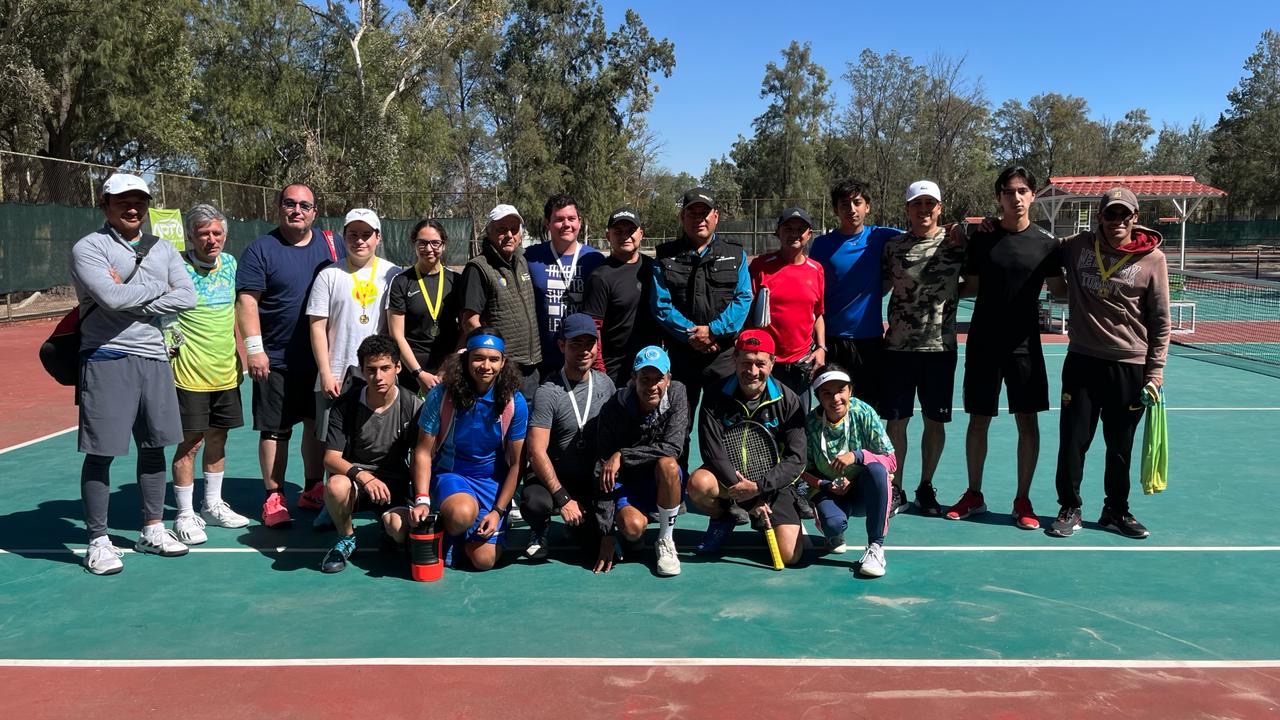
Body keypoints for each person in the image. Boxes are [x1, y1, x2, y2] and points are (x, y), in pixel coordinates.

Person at [70, 173, 196, 574]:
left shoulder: (163, 248)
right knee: (101, 452)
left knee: (155, 446)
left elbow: (188, 296)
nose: (132, 208)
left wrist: (130, 299)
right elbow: (108, 297)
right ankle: (98, 539)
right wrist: (160, 291)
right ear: (105, 205)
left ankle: (152, 529)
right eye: (122, 201)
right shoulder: (89, 247)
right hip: (106, 356)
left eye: (139, 201)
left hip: (156, 357)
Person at [1048, 187, 1170, 539]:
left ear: (1135, 218)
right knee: (1073, 440)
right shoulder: (1076, 246)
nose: (1117, 221)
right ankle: (1069, 506)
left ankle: (1116, 510)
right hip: (1083, 361)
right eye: (1110, 214)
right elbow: (1039, 244)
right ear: (1099, 216)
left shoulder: (1154, 259)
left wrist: (1156, 371)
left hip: (1129, 365)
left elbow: (1160, 320)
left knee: (1120, 445)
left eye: (1124, 215)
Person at [948, 167, 1066, 530]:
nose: (1015, 197)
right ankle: (974, 494)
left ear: (1033, 195)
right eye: (1008, 191)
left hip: (1025, 348)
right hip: (983, 345)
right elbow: (969, 287)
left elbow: (1060, 291)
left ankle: (1023, 499)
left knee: (1027, 423)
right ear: (999, 197)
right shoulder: (982, 239)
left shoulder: (1048, 244)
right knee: (977, 421)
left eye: (1022, 190)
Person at [237, 183, 345, 527]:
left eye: (304, 205)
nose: (297, 210)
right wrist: (255, 349)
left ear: (314, 211)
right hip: (276, 360)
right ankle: (274, 496)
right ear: (279, 206)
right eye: (290, 203)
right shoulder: (260, 250)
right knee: (275, 431)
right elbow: (247, 302)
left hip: (322, 361)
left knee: (316, 429)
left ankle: (313, 489)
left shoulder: (333, 244)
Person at [405, 327, 529, 571]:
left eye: (494, 359)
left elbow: (516, 464)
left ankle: (470, 531)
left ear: (503, 363)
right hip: (452, 476)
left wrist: (498, 511)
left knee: (483, 561)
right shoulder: (441, 395)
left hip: (491, 482)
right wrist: (422, 500)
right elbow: (421, 451)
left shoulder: (515, 402)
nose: (486, 366)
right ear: (466, 359)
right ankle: (450, 524)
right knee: (462, 513)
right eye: (478, 358)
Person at [880, 180, 967, 518]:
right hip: (898, 351)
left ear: (940, 208)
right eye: (917, 204)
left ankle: (925, 486)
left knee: (935, 422)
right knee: (897, 423)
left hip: (940, 350)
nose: (924, 209)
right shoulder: (892, 247)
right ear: (907, 209)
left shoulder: (956, 244)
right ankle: (895, 487)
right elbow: (881, 285)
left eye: (930, 203)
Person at [686, 330, 808, 566]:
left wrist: (759, 487)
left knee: (790, 556)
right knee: (698, 484)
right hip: (730, 479)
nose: (752, 372)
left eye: (760, 363)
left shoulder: (789, 400)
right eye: (746, 363)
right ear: (734, 360)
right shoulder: (715, 395)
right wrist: (748, 497)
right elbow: (712, 451)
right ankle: (723, 517)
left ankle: (777, 520)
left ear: (772, 363)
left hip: (772, 484)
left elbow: (796, 459)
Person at [169, 204, 250, 545]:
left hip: (226, 372)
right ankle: (185, 514)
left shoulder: (231, 264)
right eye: (204, 233)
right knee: (190, 444)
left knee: (219, 439)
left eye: (217, 233)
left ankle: (212, 505)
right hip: (188, 373)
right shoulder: (175, 266)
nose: (211, 239)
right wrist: (169, 338)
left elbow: (242, 309)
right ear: (190, 236)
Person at [652, 188, 752, 456]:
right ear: (682, 217)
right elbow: (662, 306)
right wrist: (693, 336)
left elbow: (743, 298)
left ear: (716, 216)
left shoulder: (736, 255)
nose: (699, 219)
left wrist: (714, 332)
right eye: (692, 213)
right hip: (682, 360)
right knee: (677, 431)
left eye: (704, 213)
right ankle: (676, 494)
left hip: (723, 360)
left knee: (724, 431)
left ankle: (722, 492)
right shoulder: (664, 257)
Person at [319, 335, 423, 573]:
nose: (378, 377)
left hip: (393, 484)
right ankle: (346, 539)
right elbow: (331, 458)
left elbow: (421, 458)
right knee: (336, 486)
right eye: (371, 370)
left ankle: (388, 532)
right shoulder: (346, 405)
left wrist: (421, 499)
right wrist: (364, 476)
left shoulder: (412, 406)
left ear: (398, 367)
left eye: (385, 368)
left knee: (397, 529)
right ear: (363, 371)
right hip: (356, 482)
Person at [520, 313, 615, 562]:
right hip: (556, 481)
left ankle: (583, 523)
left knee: (597, 548)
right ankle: (540, 529)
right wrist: (563, 499)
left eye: (589, 344)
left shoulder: (606, 385)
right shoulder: (548, 392)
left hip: (589, 482)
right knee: (533, 502)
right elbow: (536, 452)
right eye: (575, 344)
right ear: (562, 345)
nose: (584, 351)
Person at [592, 346, 688, 576]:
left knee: (668, 464)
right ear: (634, 378)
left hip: (661, 480)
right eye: (645, 378)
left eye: (659, 379)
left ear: (669, 379)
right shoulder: (614, 407)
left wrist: (623, 455)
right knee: (633, 528)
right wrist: (606, 533)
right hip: (629, 484)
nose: (652, 386)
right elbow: (602, 469)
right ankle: (632, 536)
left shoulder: (677, 393)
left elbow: (673, 447)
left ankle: (666, 540)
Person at [307, 208, 401, 439]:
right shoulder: (328, 275)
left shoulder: (393, 274)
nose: (360, 240)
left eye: (366, 234)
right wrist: (326, 372)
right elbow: (317, 327)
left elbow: (396, 328)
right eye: (353, 234)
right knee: (335, 444)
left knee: (378, 442)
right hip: (337, 376)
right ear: (344, 236)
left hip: (377, 376)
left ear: (377, 237)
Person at [800, 365, 897, 577]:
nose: (835, 398)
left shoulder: (864, 413)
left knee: (878, 471)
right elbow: (801, 471)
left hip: (863, 487)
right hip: (829, 488)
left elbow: (891, 460)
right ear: (817, 397)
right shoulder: (810, 425)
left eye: (841, 390)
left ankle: (876, 548)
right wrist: (825, 485)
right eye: (827, 393)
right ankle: (833, 532)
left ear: (850, 391)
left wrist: (857, 456)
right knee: (834, 524)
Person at [459, 204, 542, 399]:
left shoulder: (522, 261)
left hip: (531, 368)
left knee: (525, 425)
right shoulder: (478, 268)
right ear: (489, 233)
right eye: (502, 229)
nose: (509, 235)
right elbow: (470, 322)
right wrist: (494, 359)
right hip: (502, 369)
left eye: (514, 229)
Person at [747, 206, 826, 404]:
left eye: (800, 229)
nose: (794, 234)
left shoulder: (816, 270)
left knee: (798, 428)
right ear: (778, 233)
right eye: (788, 228)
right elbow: (747, 314)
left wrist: (821, 348)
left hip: (801, 365)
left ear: (809, 234)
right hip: (767, 364)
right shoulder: (760, 266)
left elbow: (818, 315)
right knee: (767, 425)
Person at [525, 195, 605, 376]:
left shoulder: (595, 259)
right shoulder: (531, 257)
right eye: (559, 219)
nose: (566, 224)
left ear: (580, 222)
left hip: (583, 360)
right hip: (543, 360)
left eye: (571, 218)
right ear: (547, 223)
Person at [583, 207, 658, 386]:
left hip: (650, 363)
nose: (625, 236)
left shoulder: (654, 269)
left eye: (631, 231)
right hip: (613, 368)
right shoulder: (600, 276)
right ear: (608, 235)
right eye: (618, 231)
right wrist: (600, 370)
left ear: (641, 233)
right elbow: (594, 329)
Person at [386, 219, 461, 394]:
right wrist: (419, 374)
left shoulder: (457, 281)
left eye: (435, 243)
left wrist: (447, 368)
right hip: (412, 372)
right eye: (422, 243)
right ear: (414, 244)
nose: (429, 249)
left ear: (444, 245)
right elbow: (396, 333)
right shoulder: (402, 282)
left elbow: (465, 329)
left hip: (449, 371)